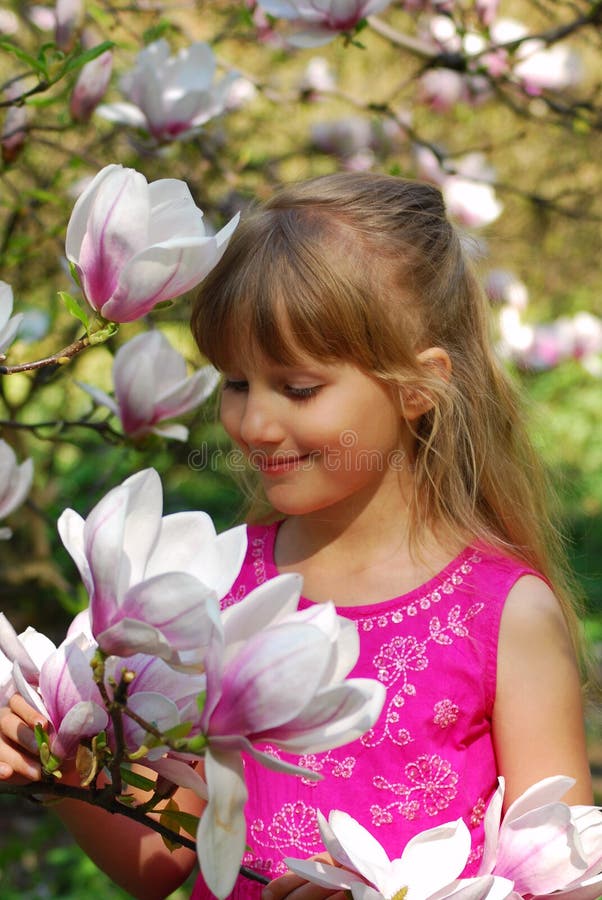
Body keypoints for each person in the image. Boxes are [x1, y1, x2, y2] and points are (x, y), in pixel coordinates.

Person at [0, 172, 594, 900]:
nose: (253, 424)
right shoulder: (215, 587)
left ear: (418, 386)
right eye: (237, 383)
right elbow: (164, 859)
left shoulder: (503, 616)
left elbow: (569, 875)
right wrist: (63, 769)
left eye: (298, 388)